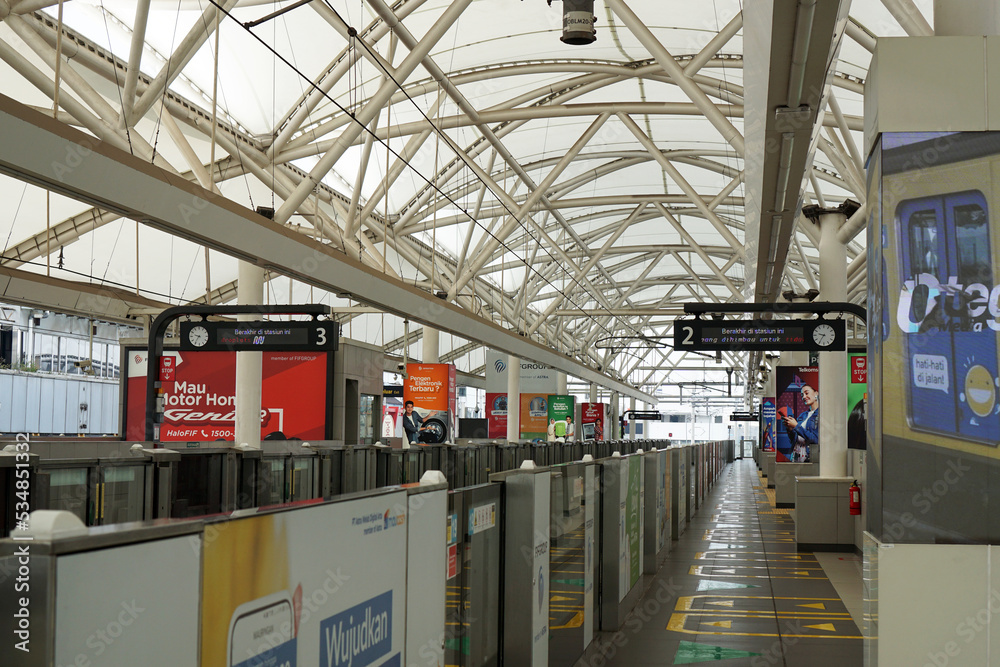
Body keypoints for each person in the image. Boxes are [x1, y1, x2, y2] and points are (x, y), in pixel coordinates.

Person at [783, 384, 819, 459]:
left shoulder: (821, 414)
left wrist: (796, 426)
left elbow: (815, 439)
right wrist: (790, 429)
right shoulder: (802, 415)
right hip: (795, 456)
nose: (804, 397)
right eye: (802, 395)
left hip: (808, 457)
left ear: (816, 393)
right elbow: (794, 439)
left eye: (806, 393)